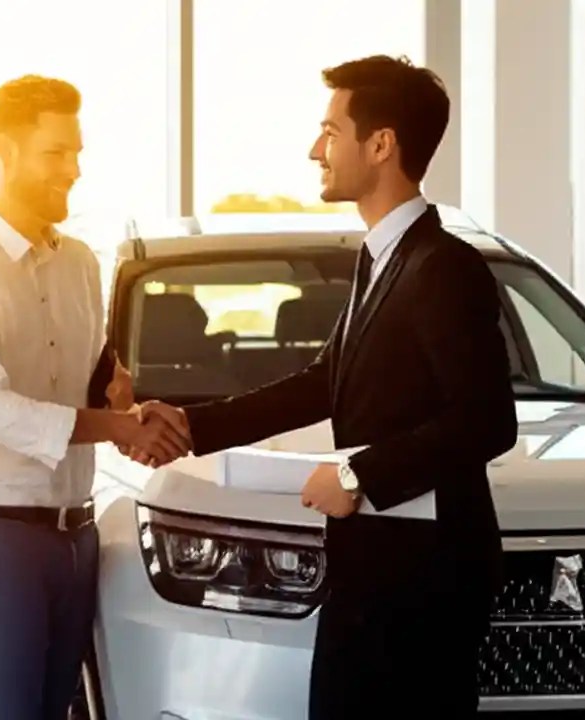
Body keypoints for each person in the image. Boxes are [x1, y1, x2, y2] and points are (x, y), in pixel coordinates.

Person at [135, 55, 518, 718]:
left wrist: (358, 476)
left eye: (330, 131)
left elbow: (487, 421)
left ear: (380, 145)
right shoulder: (382, 257)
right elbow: (321, 385)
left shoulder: (444, 266)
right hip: (375, 574)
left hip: (424, 585)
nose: (316, 149)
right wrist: (193, 428)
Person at [0, 74, 187, 720]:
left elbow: (93, 380)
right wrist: (117, 427)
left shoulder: (81, 265)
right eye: (56, 153)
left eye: (76, 152)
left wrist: (124, 402)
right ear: (4, 154)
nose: (74, 170)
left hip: (79, 537)